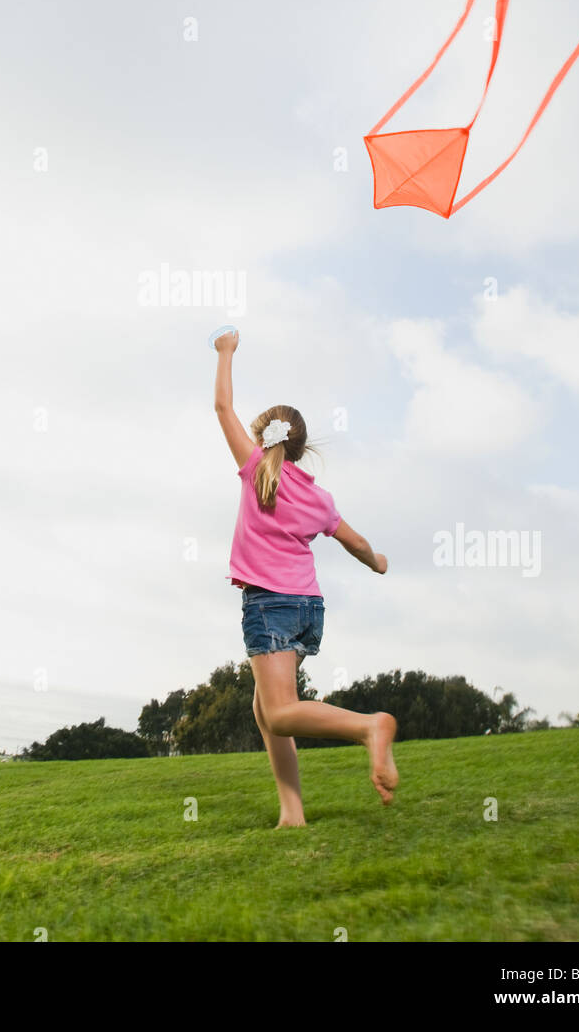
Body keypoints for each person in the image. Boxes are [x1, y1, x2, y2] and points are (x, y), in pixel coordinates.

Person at [213, 329, 398, 827]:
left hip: (269, 605)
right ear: (300, 445)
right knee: (264, 709)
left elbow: (221, 408)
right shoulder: (318, 498)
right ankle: (291, 812)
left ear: (262, 438)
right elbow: (354, 542)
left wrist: (225, 352)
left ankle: (369, 727)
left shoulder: (255, 470)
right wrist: (377, 561)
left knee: (279, 712)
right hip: (306, 607)